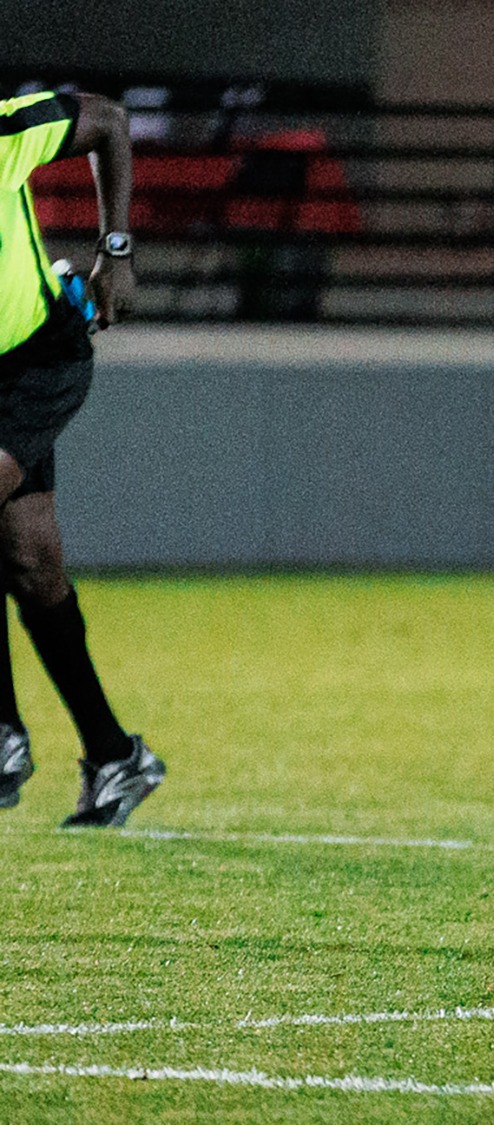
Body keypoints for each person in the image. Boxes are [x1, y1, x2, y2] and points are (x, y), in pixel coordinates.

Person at [0, 89, 167, 825]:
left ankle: (1, 733)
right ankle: (115, 756)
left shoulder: (5, 131)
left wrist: (114, 251)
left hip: (36, 362)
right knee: (33, 565)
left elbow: (109, 122)